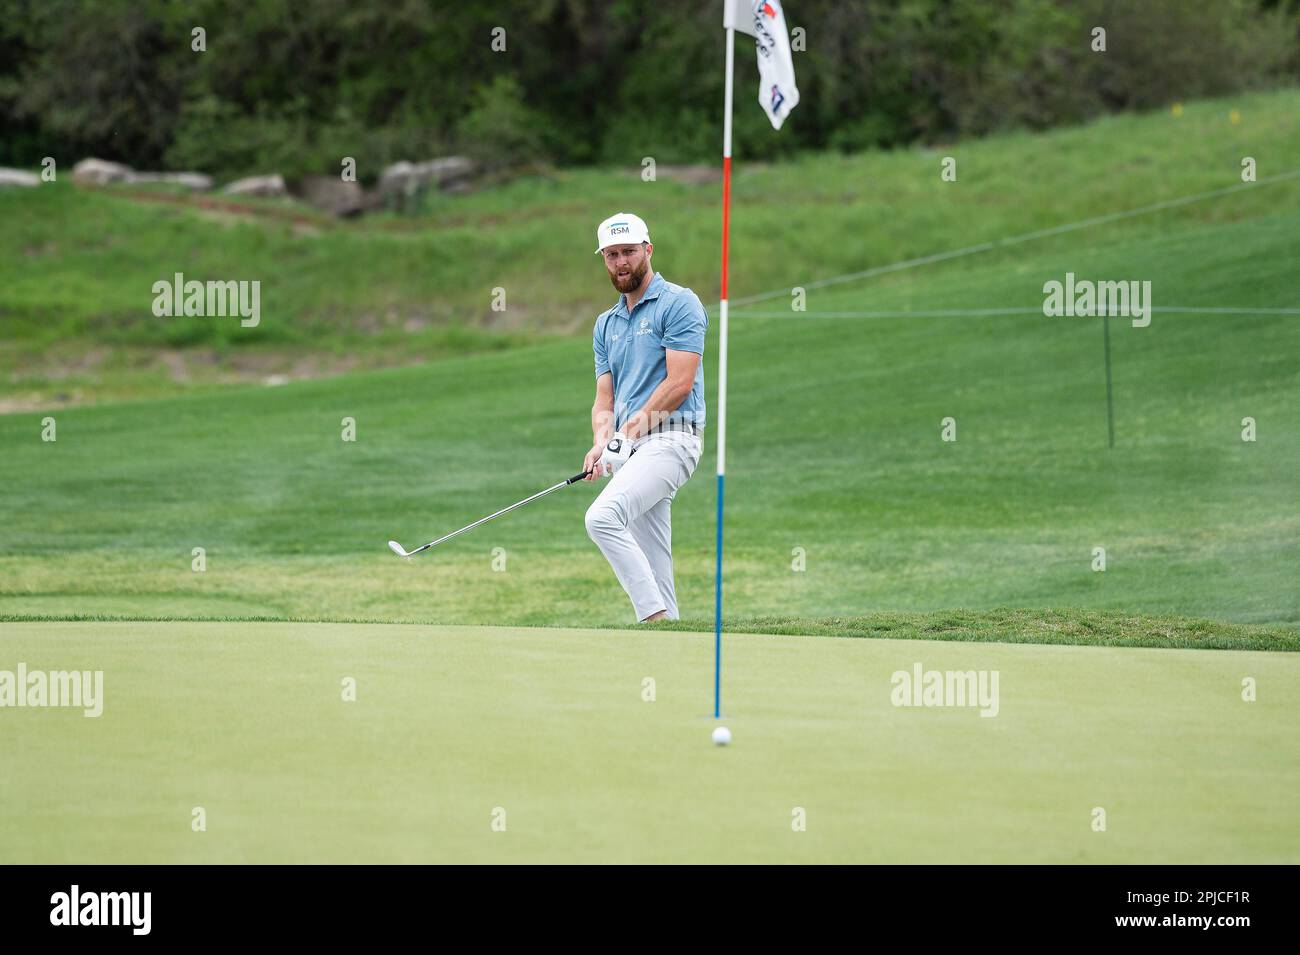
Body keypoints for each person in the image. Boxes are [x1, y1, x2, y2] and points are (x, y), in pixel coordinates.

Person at [582, 212, 707, 622]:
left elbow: (679, 384)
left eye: (629, 252)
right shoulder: (606, 324)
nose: (621, 262)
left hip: (673, 439)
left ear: (647, 250)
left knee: (602, 518)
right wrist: (603, 442)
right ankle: (667, 630)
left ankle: (650, 617)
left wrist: (628, 434)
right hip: (629, 449)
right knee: (655, 562)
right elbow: (605, 399)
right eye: (612, 254)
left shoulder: (679, 303)